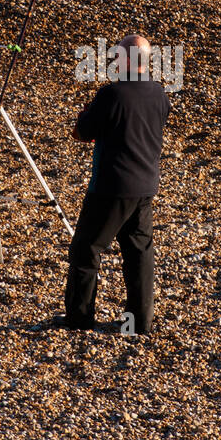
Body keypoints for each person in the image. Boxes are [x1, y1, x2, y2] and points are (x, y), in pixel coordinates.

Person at [61, 34, 171, 334]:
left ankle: (79, 319)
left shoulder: (112, 95)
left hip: (111, 187)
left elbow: (82, 132)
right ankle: (138, 323)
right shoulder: (160, 94)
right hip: (145, 186)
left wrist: (85, 114)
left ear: (124, 60)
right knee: (139, 254)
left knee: (86, 250)